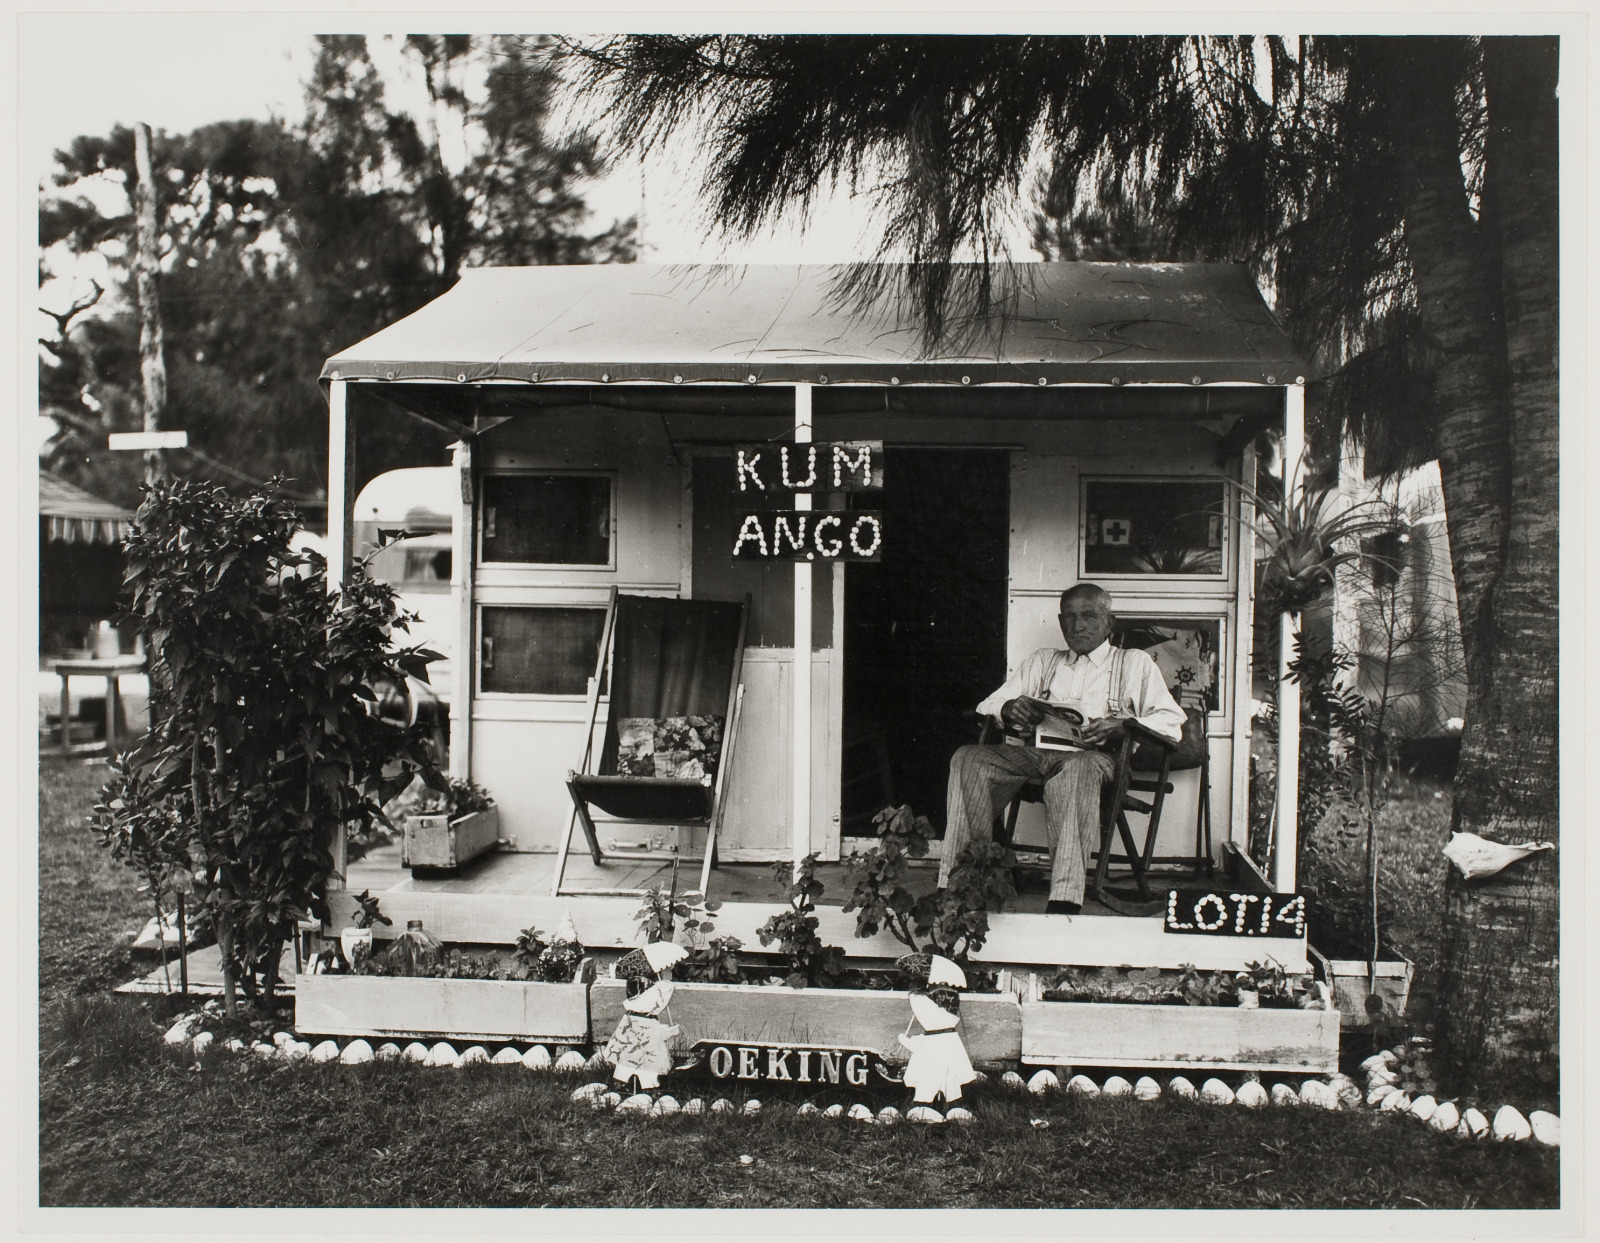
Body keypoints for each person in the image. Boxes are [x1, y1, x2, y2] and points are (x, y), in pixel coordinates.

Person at [940, 583, 1184, 914]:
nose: (1078, 625)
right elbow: (989, 703)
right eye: (1069, 617)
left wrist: (1123, 724)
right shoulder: (1044, 661)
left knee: (1077, 769)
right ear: (1060, 622)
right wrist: (1010, 707)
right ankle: (963, 884)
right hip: (1039, 755)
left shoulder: (1133, 663)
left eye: (1088, 616)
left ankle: (1064, 900)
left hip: (1098, 761)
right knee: (969, 758)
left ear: (1109, 622)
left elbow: (1171, 721)